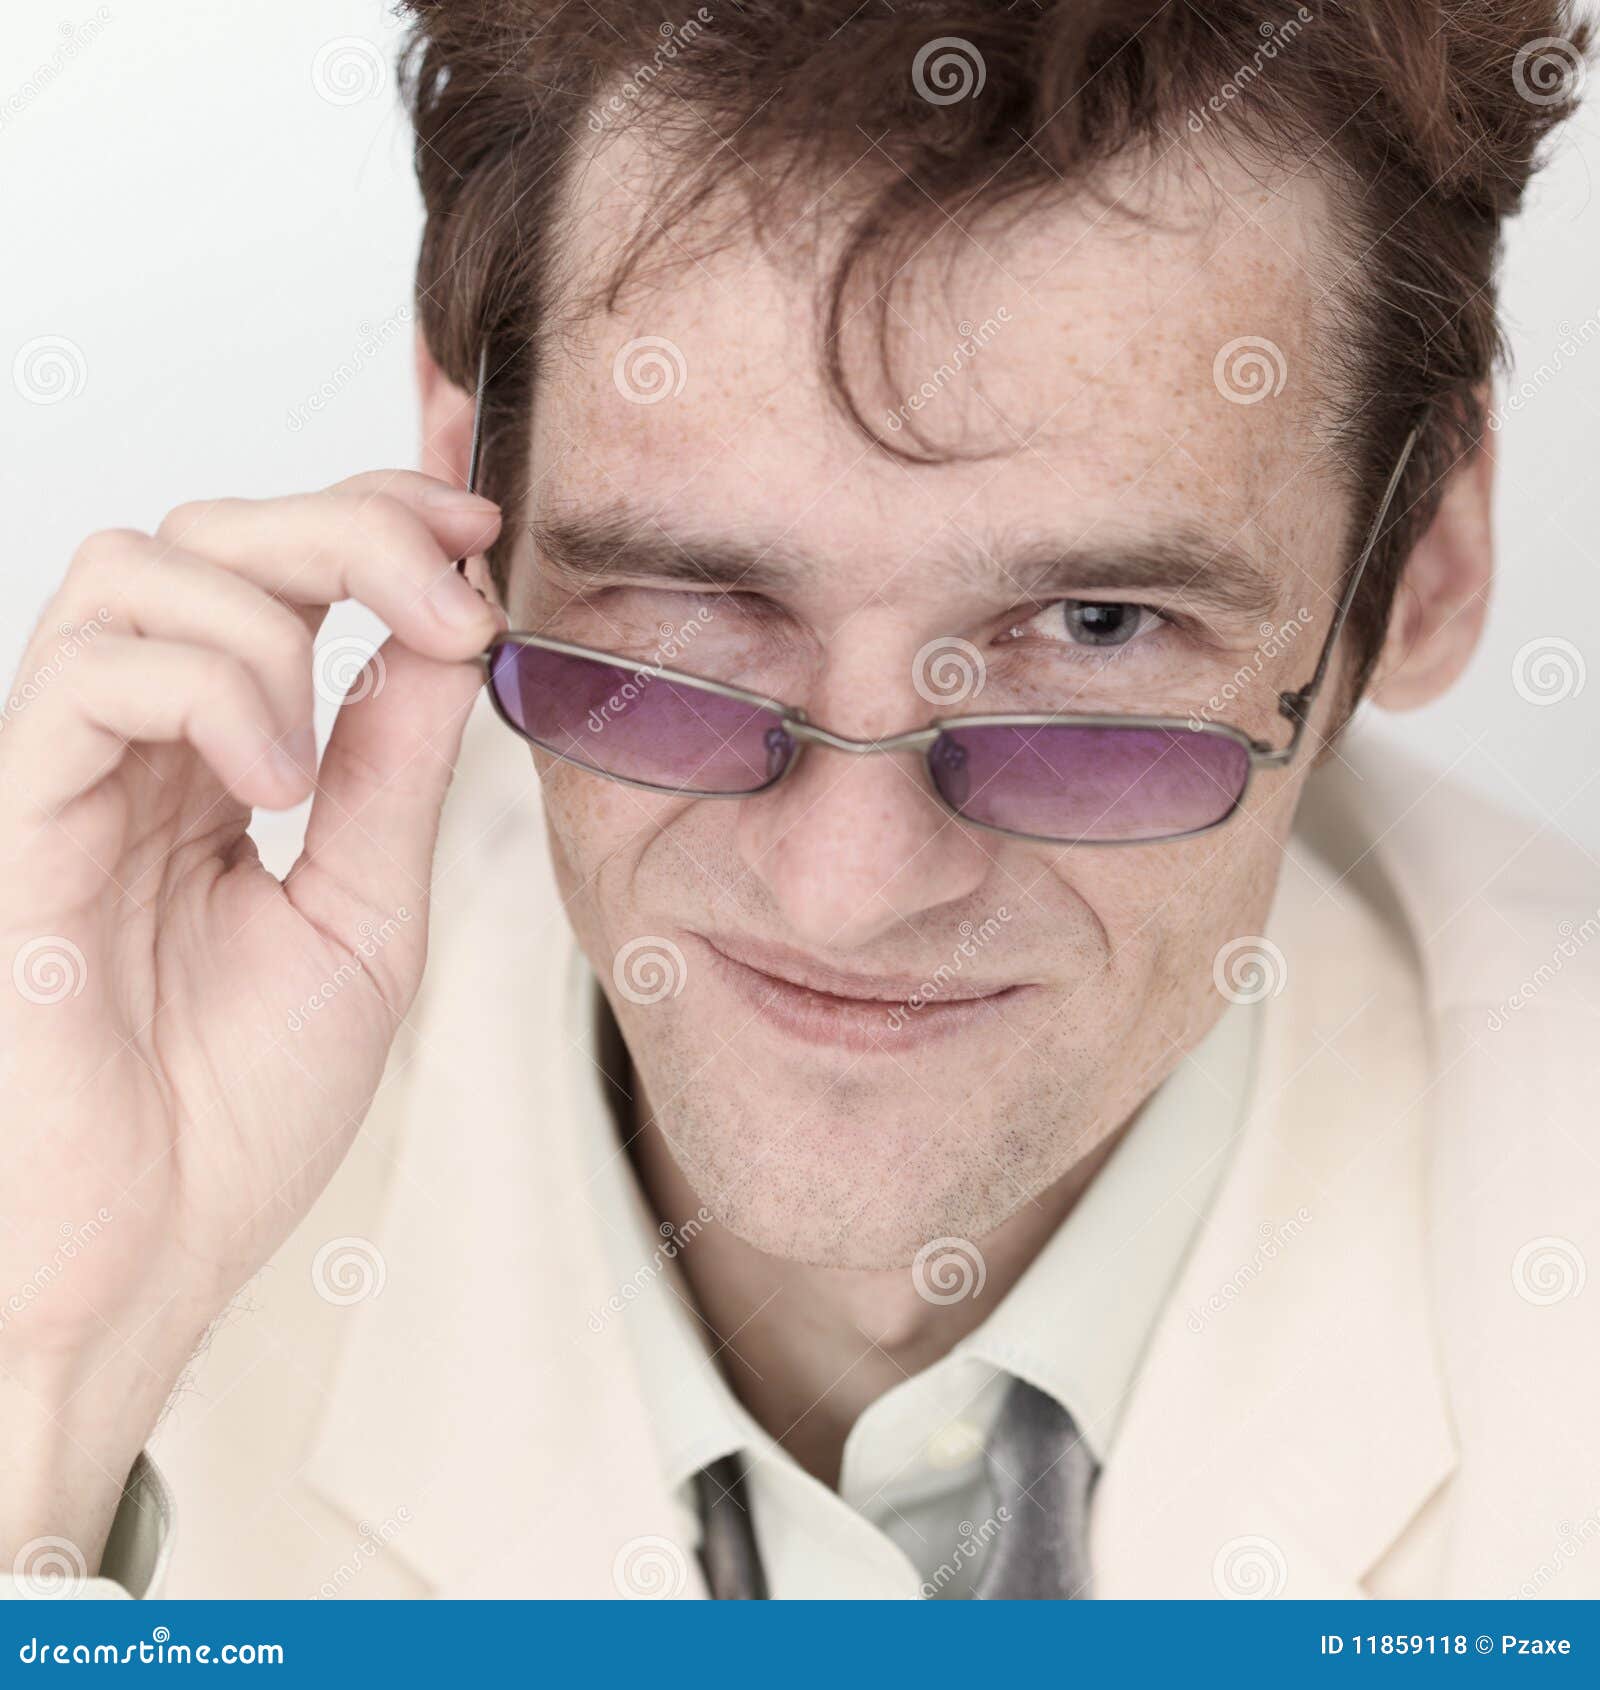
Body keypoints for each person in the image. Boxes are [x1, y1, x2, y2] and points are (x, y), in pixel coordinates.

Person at [2, 0, 1596, 1601]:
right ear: (462, 465)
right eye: (691, 599)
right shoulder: (108, 1081)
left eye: (1097, 626)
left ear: (1435, 554)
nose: (853, 884)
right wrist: (51, 1373)